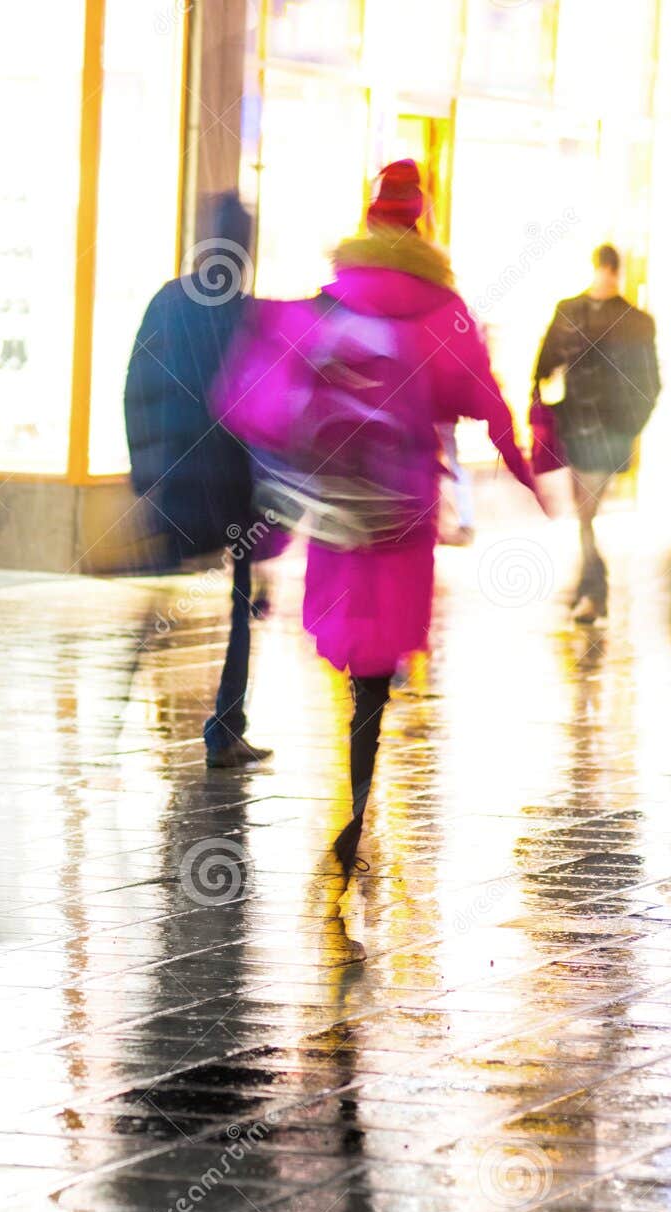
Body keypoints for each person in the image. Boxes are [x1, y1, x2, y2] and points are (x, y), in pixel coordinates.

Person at [216, 160, 539, 885]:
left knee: (350, 652)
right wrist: (521, 463)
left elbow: (254, 394)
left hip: (340, 515)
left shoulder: (328, 304)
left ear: (368, 223)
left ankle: (355, 776)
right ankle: (359, 797)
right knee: (377, 675)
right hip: (402, 516)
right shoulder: (442, 309)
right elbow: (480, 394)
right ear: (421, 223)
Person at [124, 193, 274, 770]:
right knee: (239, 598)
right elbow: (266, 403)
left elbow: (137, 385)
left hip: (176, 474)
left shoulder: (169, 302)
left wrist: (144, 467)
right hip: (231, 479)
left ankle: (119, 709)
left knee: (162, 595)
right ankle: (225, 726)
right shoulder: (248, 315)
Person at [533, 245, 659, 623]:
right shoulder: (571, 311)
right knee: (585, 513)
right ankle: (590, 590)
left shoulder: (634, 321)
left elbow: (649, 383)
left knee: (586, 513)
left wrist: (631, 425)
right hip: (577, 427)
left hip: (608, 430)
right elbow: (544, 364)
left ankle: (593, 590)